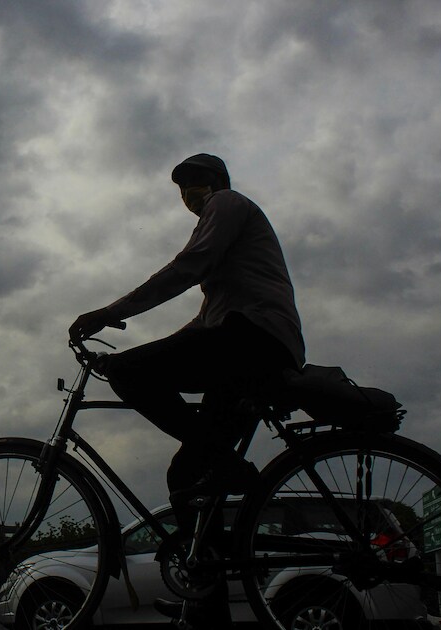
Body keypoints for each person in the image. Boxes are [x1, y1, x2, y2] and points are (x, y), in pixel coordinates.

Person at [68, 153, 304, 626]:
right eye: (181, 189)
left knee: (134, 376)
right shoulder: (227, 255)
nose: (187, 195)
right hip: (239, 347)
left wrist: (110, 313)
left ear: (214, 182)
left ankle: (227, 461)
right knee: (190, 475)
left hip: (253, 341)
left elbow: (188, 266)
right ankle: (206, 601)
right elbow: (199, 328)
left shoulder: (228, 204)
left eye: (193, 183)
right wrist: (137, 353)